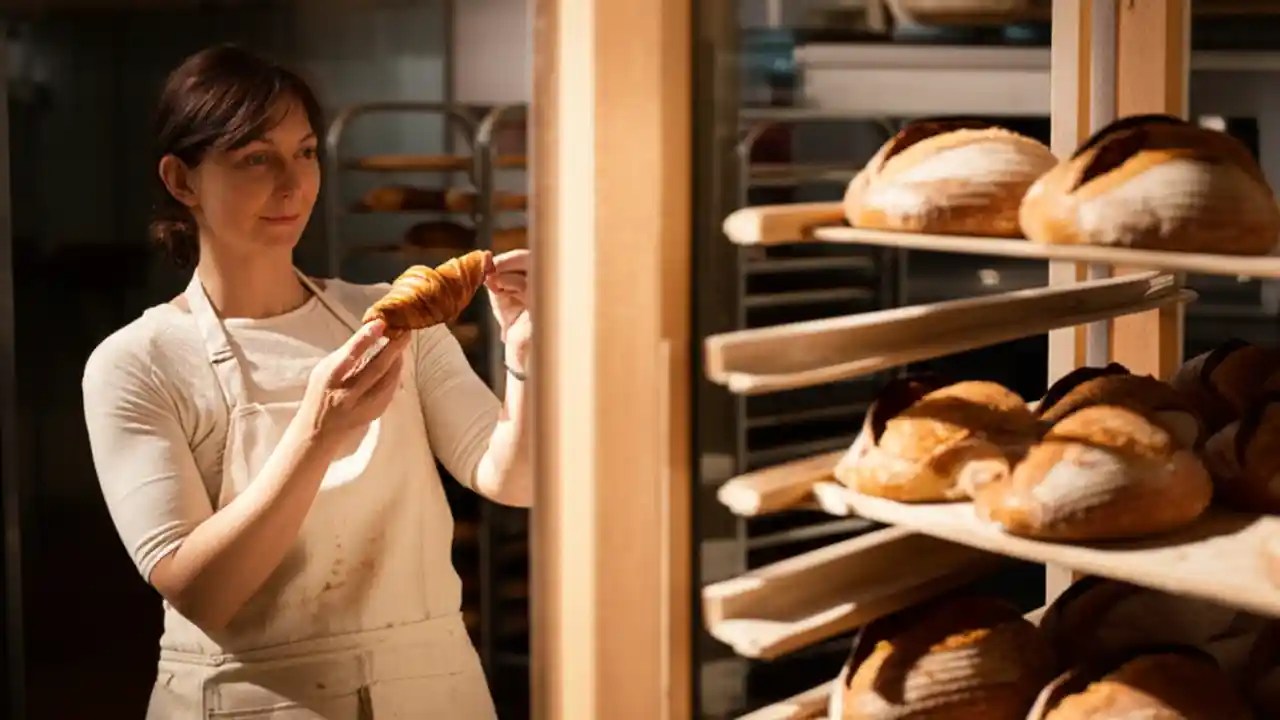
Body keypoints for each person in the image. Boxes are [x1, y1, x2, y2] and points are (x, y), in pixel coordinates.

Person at [80, 43, 530, 719]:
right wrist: (319, 434)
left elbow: (513, 480)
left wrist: (526, 355)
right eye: (256, 158)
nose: (293, 185)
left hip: (435, 689)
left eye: (307, 151)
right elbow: (201, 592)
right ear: (182, 180)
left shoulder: (391, 319)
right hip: (249, 700)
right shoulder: (139, 361)